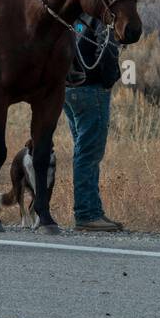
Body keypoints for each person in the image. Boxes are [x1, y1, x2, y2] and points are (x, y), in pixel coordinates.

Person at [63, 13, 123, 231]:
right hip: (92, 89)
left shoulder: (74, 14)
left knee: (82, 150)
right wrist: (107, 80)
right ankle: (87, 214)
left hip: (68, 88)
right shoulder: (103, 16)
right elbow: (106, 49)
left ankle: (94, 211)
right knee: (89, 153)